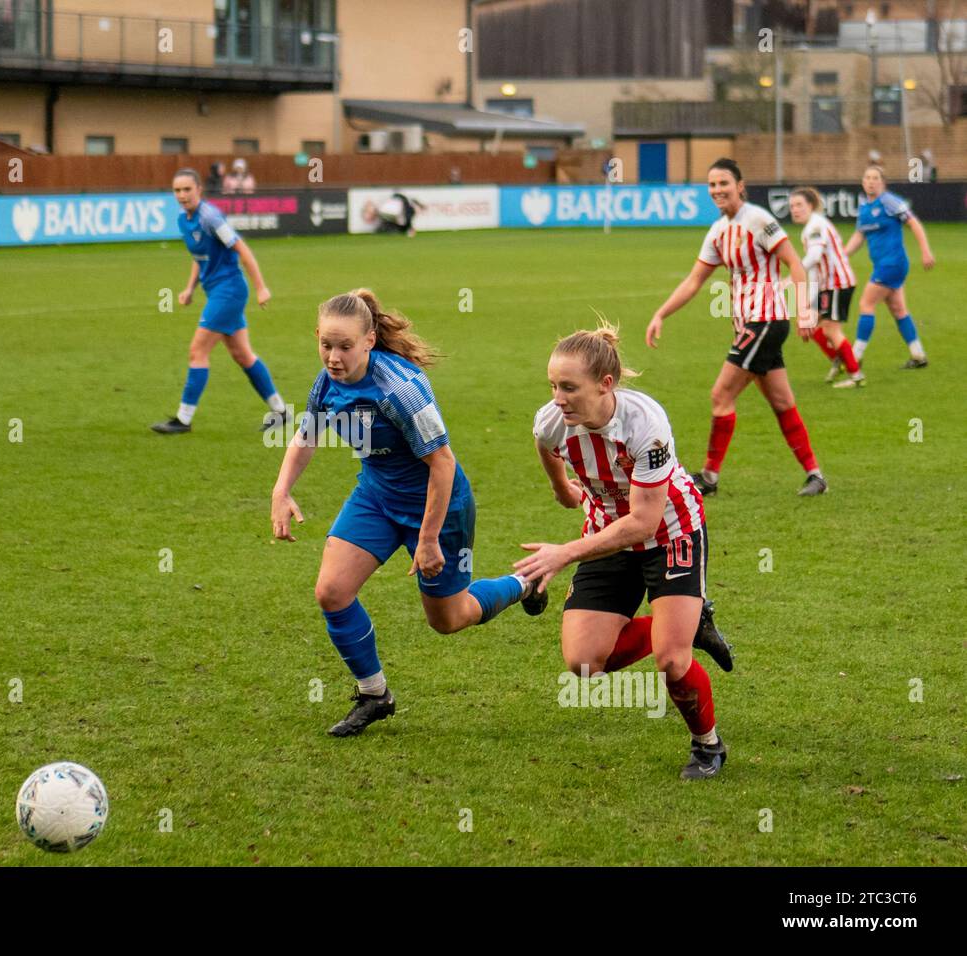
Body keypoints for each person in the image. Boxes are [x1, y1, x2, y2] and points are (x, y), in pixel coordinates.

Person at [271, 289, 544, 737]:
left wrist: (430, 537)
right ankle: (375, 693)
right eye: (326, 345)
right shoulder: (326, 382)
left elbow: (443, 463)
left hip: (439, 507)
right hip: (376, 496)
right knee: (332, 591)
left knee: (449, 620)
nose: (334, 357)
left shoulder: (400, 388)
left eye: (344, 346)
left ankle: (524, 583)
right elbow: (308, 434)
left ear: (370, 341)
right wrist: (281, 490)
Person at [516, 324, 735, 779]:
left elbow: (644, 522)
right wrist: (561, 489)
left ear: (606, 384)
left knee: (671, 661)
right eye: (553, 386)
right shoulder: (552, 420)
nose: (558, 398)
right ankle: (689, 622)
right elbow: (544, 443)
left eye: (569, 388)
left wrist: (564, 554)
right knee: (582, 663)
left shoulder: (645, 426)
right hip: (605, 532)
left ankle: (707, 745)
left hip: (669, 531)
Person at [647, 158, 827, 498]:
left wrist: (805, 310)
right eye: (712, 185)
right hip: (750, 325)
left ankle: (710, 478)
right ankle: (815, 476)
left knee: (721, 395)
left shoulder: (758, 219)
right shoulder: (717, 231)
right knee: (781, 400)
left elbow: (794, 262)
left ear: (740, 186)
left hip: (767, 320)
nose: (717, 190)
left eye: (724, 184)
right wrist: (661, 313)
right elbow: (694, 280)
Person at [151, 168, 285, 434]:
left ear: (199, 190)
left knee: (197, 351)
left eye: (187, 189)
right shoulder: (183, 220)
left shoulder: (210, 218)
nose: (182, 195)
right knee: (243, 355)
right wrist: (189, 288)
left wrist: (261, 287)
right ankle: (281, 412)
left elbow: (242, 249)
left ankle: (183, 419)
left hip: (230, 291)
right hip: (217, 291)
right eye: (177, 190)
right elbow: (199, 257)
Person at [842, 165, 935, 370]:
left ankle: (855, 357)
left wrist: (925, 251)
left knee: (866, 303)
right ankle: (918, 355)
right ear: (862, 182)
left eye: (875, 178)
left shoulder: (889, 201)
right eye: (867, 178)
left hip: (892, 264)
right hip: (886, 265)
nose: (871, 181)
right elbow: (860, 236)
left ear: (882, 182)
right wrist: (842, 256)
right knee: (898, 310)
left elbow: (914, 223)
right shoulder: (865, 207)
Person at [788, 187, 863, 388]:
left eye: (799, 205)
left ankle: (856, 375)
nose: (794, 210)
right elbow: (814, 267)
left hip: (838, 283)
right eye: (792, 206)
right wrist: (809, 305)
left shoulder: (815, 227)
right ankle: (841, 360)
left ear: (811, 206)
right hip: (827, 285)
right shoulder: (812, 227)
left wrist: (793, 274)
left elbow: (814, 256)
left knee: (830, 330)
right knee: (810, 325)